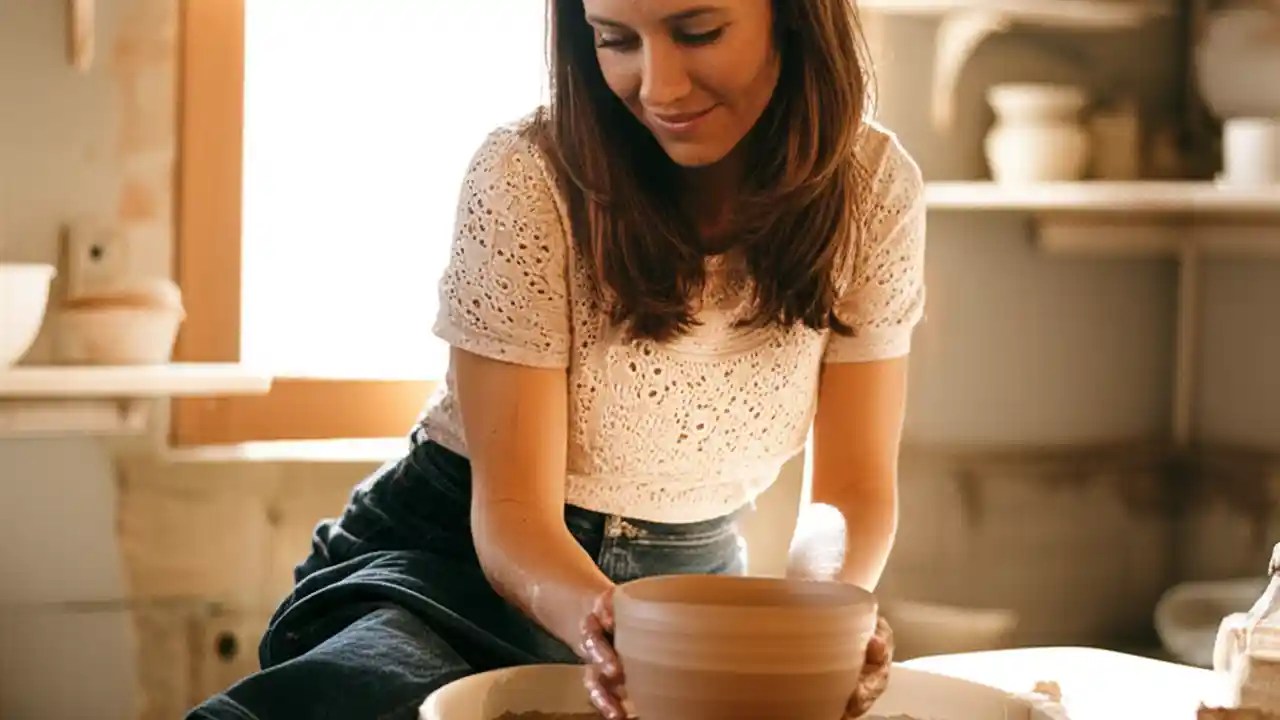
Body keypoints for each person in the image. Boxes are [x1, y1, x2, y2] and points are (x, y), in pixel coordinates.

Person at [189, 0, 925, 717]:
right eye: (614, 40)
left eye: (697, 32)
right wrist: (613, 628)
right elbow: (512, 517)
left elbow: (852, 490)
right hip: (453, 568)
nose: (658, 86)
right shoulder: (526, 175)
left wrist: (823, 616)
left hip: (688, 587)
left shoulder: (874, 190)